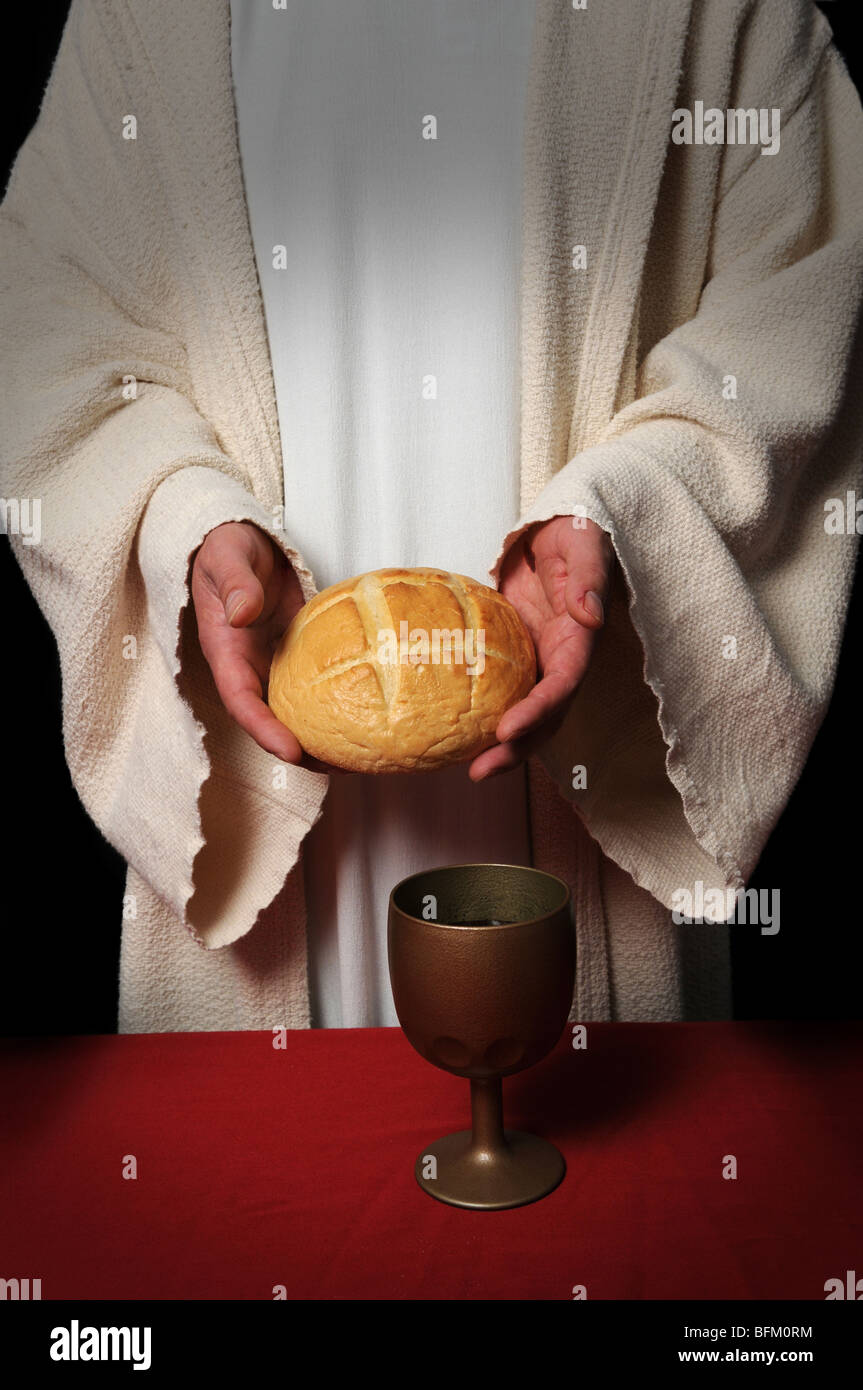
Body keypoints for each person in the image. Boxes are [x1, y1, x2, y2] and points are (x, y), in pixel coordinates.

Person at [2, 0, 862, 1032]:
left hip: (590, 874)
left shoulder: (724, 13)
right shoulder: (145, 20)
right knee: (256, 1180)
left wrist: (618, 513)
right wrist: (187, 520)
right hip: (268, 891)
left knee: (612, 1185)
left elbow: (794, 321)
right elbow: (48, 333)